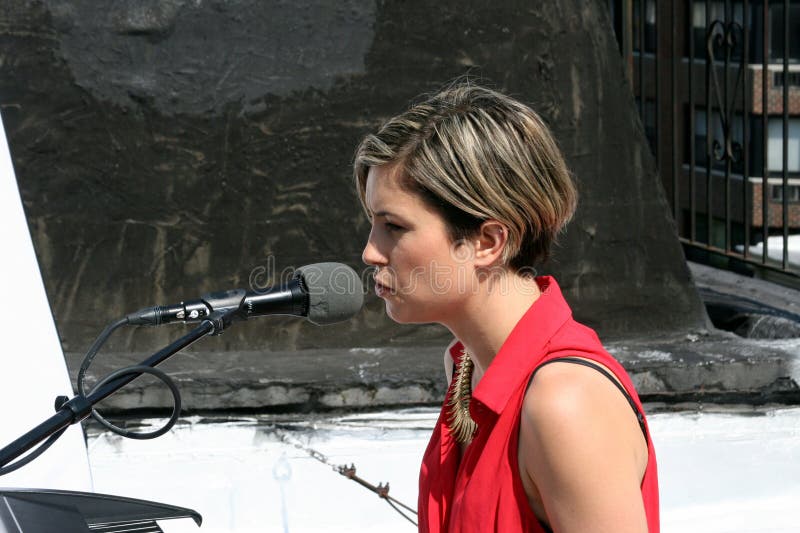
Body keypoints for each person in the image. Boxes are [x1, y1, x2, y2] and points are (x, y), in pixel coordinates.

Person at [353, 82, 659, 533]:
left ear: (488, 242)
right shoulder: (464, 366)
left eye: (393, 227)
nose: (370, 253)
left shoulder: (564, 403)